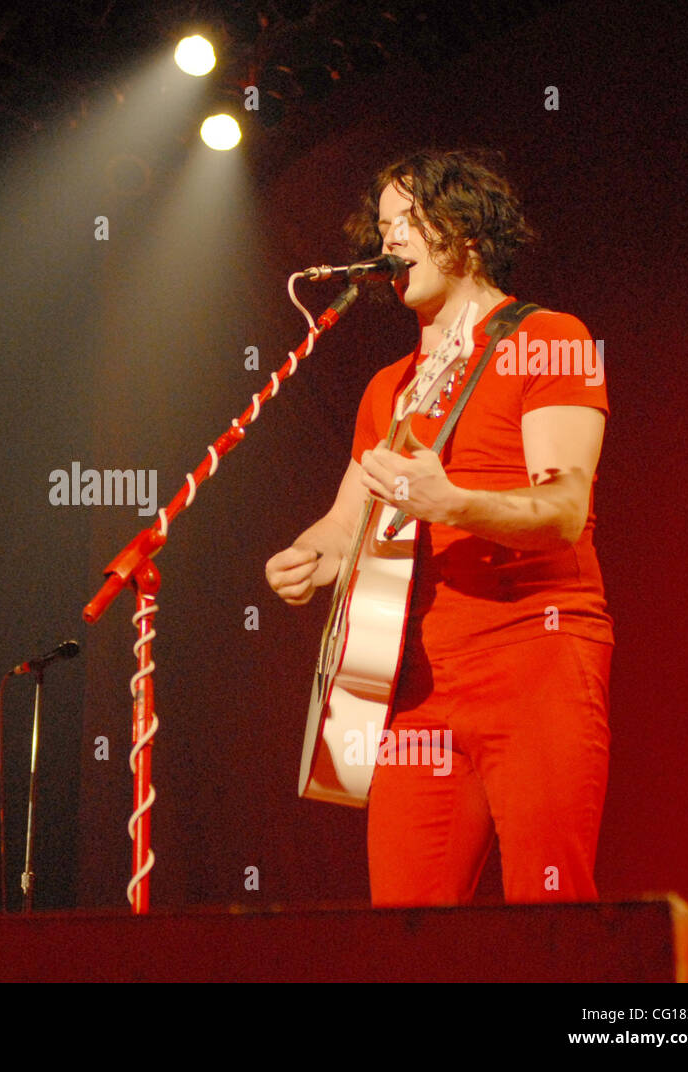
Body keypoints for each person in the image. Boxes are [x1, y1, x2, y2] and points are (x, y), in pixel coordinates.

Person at [266, 149, 612, 906]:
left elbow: (563, 510)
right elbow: (343, 521)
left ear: (471, 233)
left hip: (535, 652)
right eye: (384, 225)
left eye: (412, 221)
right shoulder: (386, 387)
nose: (390, 240)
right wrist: (310, 556)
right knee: (407, 933)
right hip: (414, 686)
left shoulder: (547, 336)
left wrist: (451, 502)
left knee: (549, 917)